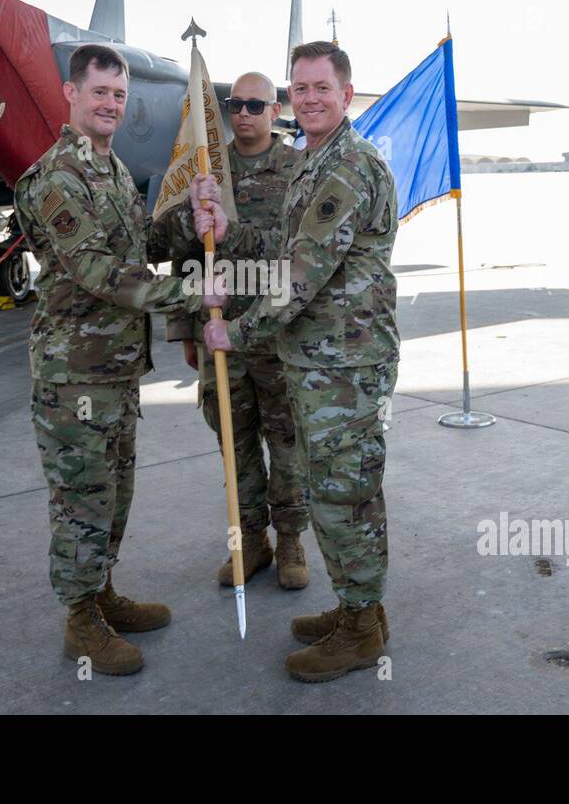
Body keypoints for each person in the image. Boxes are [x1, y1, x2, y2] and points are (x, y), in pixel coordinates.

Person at [12, 43, 223, 676]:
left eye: (118, 95)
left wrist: (190, 216)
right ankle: (80, 620)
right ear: (70, 95)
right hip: (73, 374)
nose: (111, 104)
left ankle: (100, 593)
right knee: (82, 497)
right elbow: (101, 272)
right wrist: (190, 291)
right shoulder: (58, 179)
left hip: (115, 369)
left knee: (115, 491)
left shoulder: (110, 170)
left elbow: (142, 243)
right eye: (99, 93)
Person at [201, 41, 399, 682]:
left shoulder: (346, 167)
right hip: (318, 363)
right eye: (301, 88)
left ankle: (362, 627)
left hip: (343, 365)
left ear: (347, 93)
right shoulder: (315, 163)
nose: (310, 98)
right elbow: (287, 244)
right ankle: (356, 610)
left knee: (346, 495)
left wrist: (238, 329)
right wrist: (233, 234)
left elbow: (299, 275)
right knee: (334, 490)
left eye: (322, 87)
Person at [166, 71, 310, 591]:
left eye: (255, 104)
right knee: (234, 440)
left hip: (276, 332)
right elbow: (179, 255)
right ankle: (251, 542)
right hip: (219, 332)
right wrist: (185, 329)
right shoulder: (207, 169)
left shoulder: (297, 169)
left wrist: (237, 234)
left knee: (287, 438)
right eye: (235, 104)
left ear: (275, 110)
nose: (244, 113)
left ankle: (291, 537)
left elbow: (301, 251)